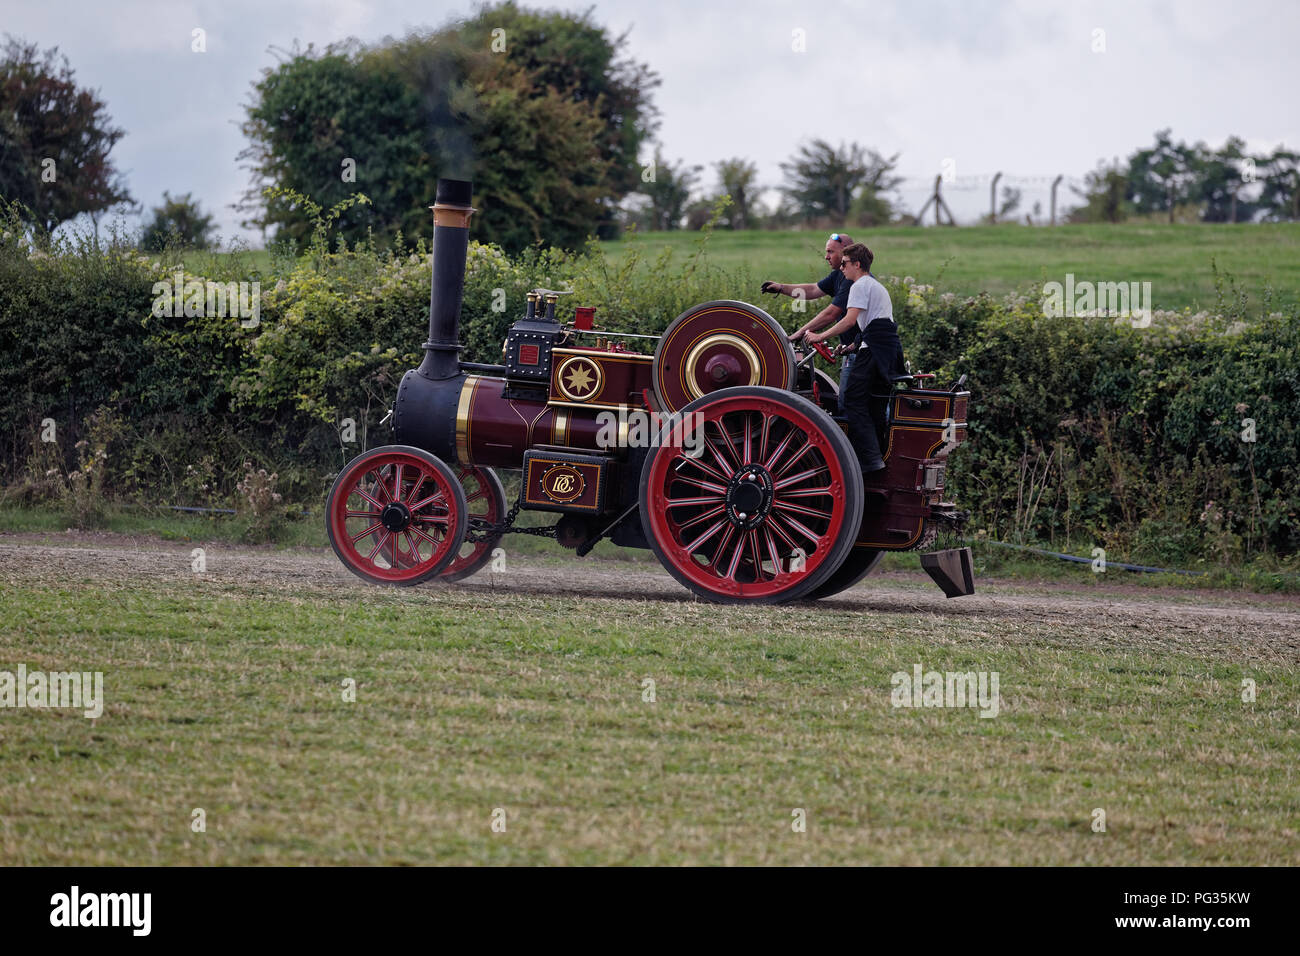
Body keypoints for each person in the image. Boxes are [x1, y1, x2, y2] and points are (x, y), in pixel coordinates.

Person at [805, 243, 903, 473]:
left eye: (845, 264)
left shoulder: (859, 285)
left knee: (851, 400)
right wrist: (850, 347)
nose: (841, 268)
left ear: (857, 265)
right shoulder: (874, 286)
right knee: (874, 404)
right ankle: (878, 454)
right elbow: (874, 324)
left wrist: (820, 336)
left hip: (875, 349)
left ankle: (869, 459)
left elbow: (848, 321)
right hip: (885, 349)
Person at [759, 233, 857, 412]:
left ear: (845, 253)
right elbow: (812, 290)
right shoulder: (838, 275)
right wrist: (782, 288)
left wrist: (799, 334)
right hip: (852, 353)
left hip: (860, 353)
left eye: (830, 252)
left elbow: (831, 313)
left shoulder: (851, 280)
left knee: (850, 406)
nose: (826, 256)